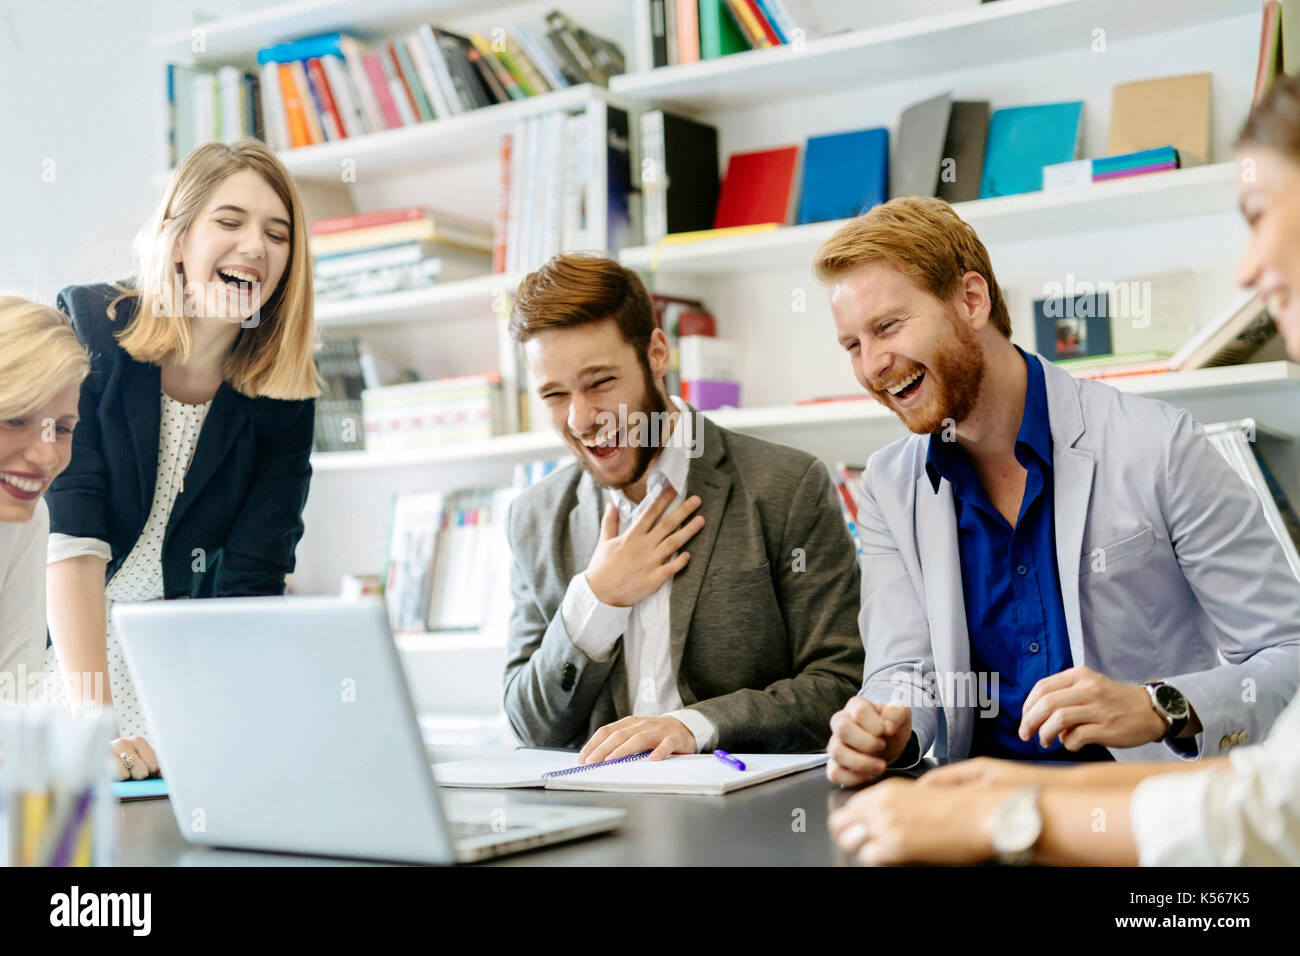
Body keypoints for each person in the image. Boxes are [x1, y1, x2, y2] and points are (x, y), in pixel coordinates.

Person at [827, 71, 1300, 867]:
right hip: (963, 828)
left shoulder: (1159, 445)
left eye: (889, 326)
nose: (873, 364)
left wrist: (1160, 706)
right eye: (851, 345)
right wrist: (882, 724)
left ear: (971, 301)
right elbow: (902, 670)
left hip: (1145, 834)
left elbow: (1286, 656)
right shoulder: (890, 485)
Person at [502, 253, 864, 761]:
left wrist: (695, 726)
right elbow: (529, 726)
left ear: (656, 354)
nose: (581, 418)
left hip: (743, 814)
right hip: (603, 815)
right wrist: (595, 602)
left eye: (600, 382)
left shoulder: (785, 486)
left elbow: (841, 686)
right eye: (555, 394)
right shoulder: (534, 520)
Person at [43, 140, 319, 781]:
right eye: (229, 221)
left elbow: (252, 582)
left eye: (277, 234)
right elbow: (71, 541)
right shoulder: (91, 327)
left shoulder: (284, 397)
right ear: (176, 240)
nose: (255, 245)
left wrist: (218, 725)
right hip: (61, 650)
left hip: (177, 669)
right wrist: (94, 724)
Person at [0, 298, 89, 702]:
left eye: (63, 429)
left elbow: (12, 704)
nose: (47, 454)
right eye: (15, 418)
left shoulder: (27, 519)